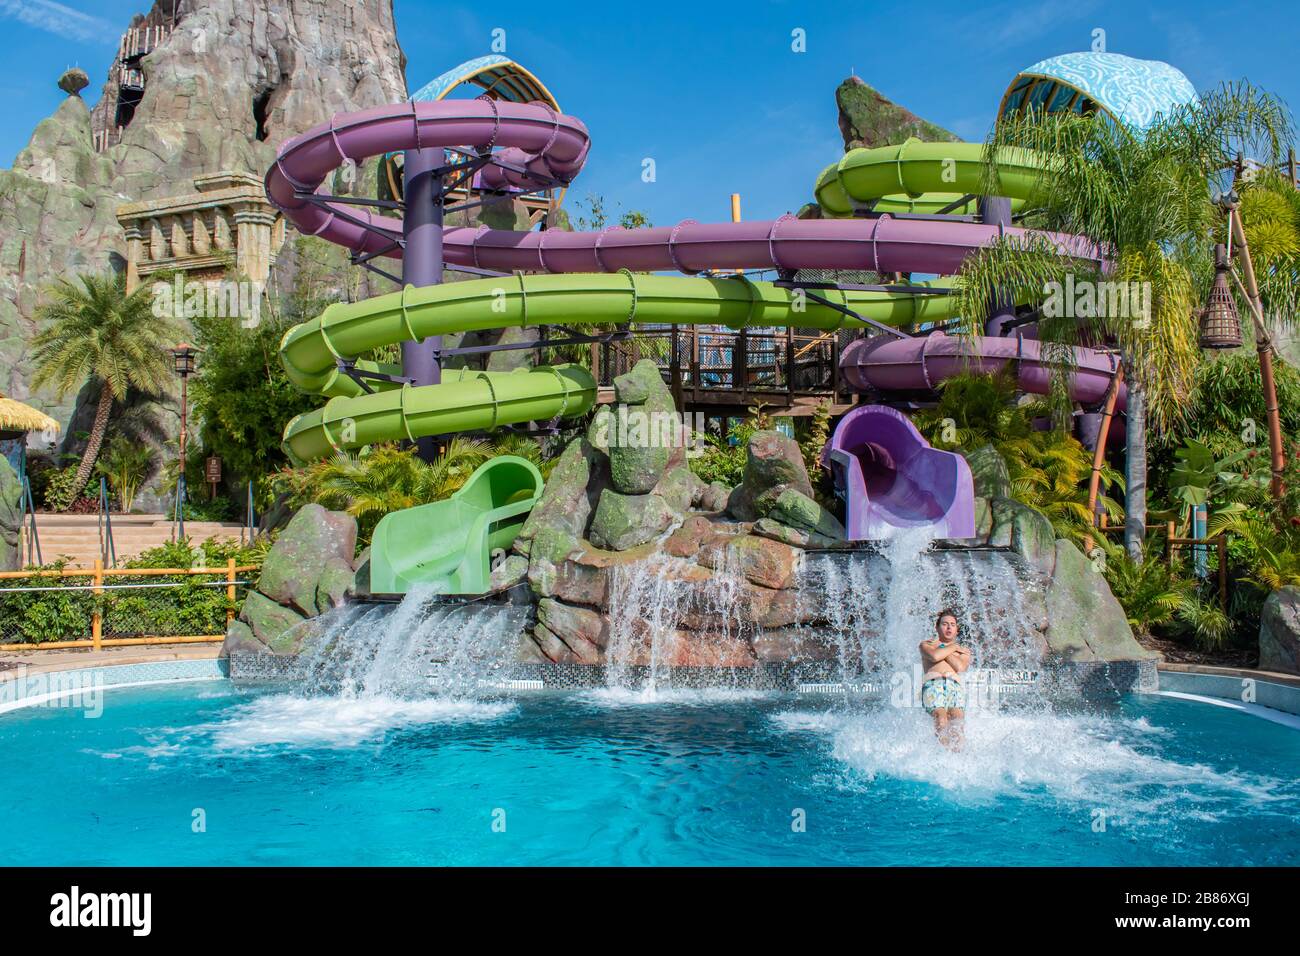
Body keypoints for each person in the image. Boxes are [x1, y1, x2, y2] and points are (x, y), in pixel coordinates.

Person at [919, 609, 971, 750]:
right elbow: (935, 657)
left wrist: (942, 648)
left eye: (952, 625)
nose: (949, 628)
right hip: (933, 685)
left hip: (955, 687)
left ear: (957, 629)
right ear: (937, 627)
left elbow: (960, 667)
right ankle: (943, 753)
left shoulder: (965, 651)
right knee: (941, 718)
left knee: (957, 720)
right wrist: (952, 647)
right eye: (945, 624)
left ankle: (957, 756)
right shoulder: (926, 645)